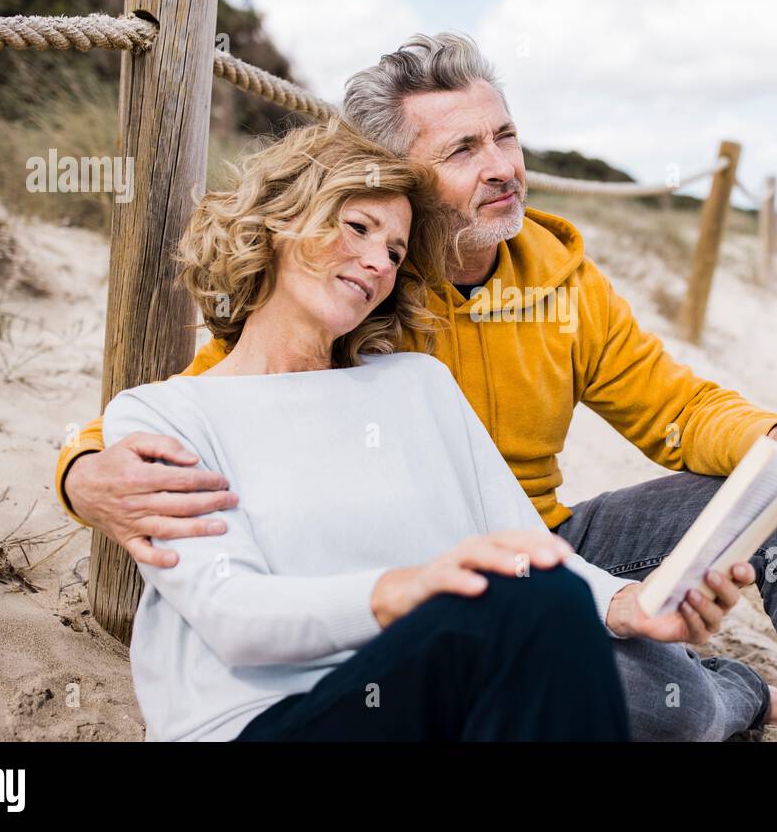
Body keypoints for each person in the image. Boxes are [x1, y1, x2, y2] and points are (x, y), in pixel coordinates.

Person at [59, 33, 777, 742]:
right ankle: (732, 695)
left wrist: (774, 442)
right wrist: (81, 468)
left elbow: (673, 406)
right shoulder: (354, 303)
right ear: (398, 175)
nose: (502, 165)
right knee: (673, 705)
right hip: (449, 590)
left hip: (548, 540)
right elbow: (222, 397)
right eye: (463, 150)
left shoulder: (554, 276)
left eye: (506, 135)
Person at [104, 117, 633, 740]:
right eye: (357, 227)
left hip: (423, 698)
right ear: (280, 221)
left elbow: (523, 542)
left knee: (554, 612)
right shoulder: (165, 415)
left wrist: (633, 605)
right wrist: (411, 590)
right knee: (537, 619)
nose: (376, 262)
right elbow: (232, 616)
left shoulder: (418, 384)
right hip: (263, 722)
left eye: (395, 252)